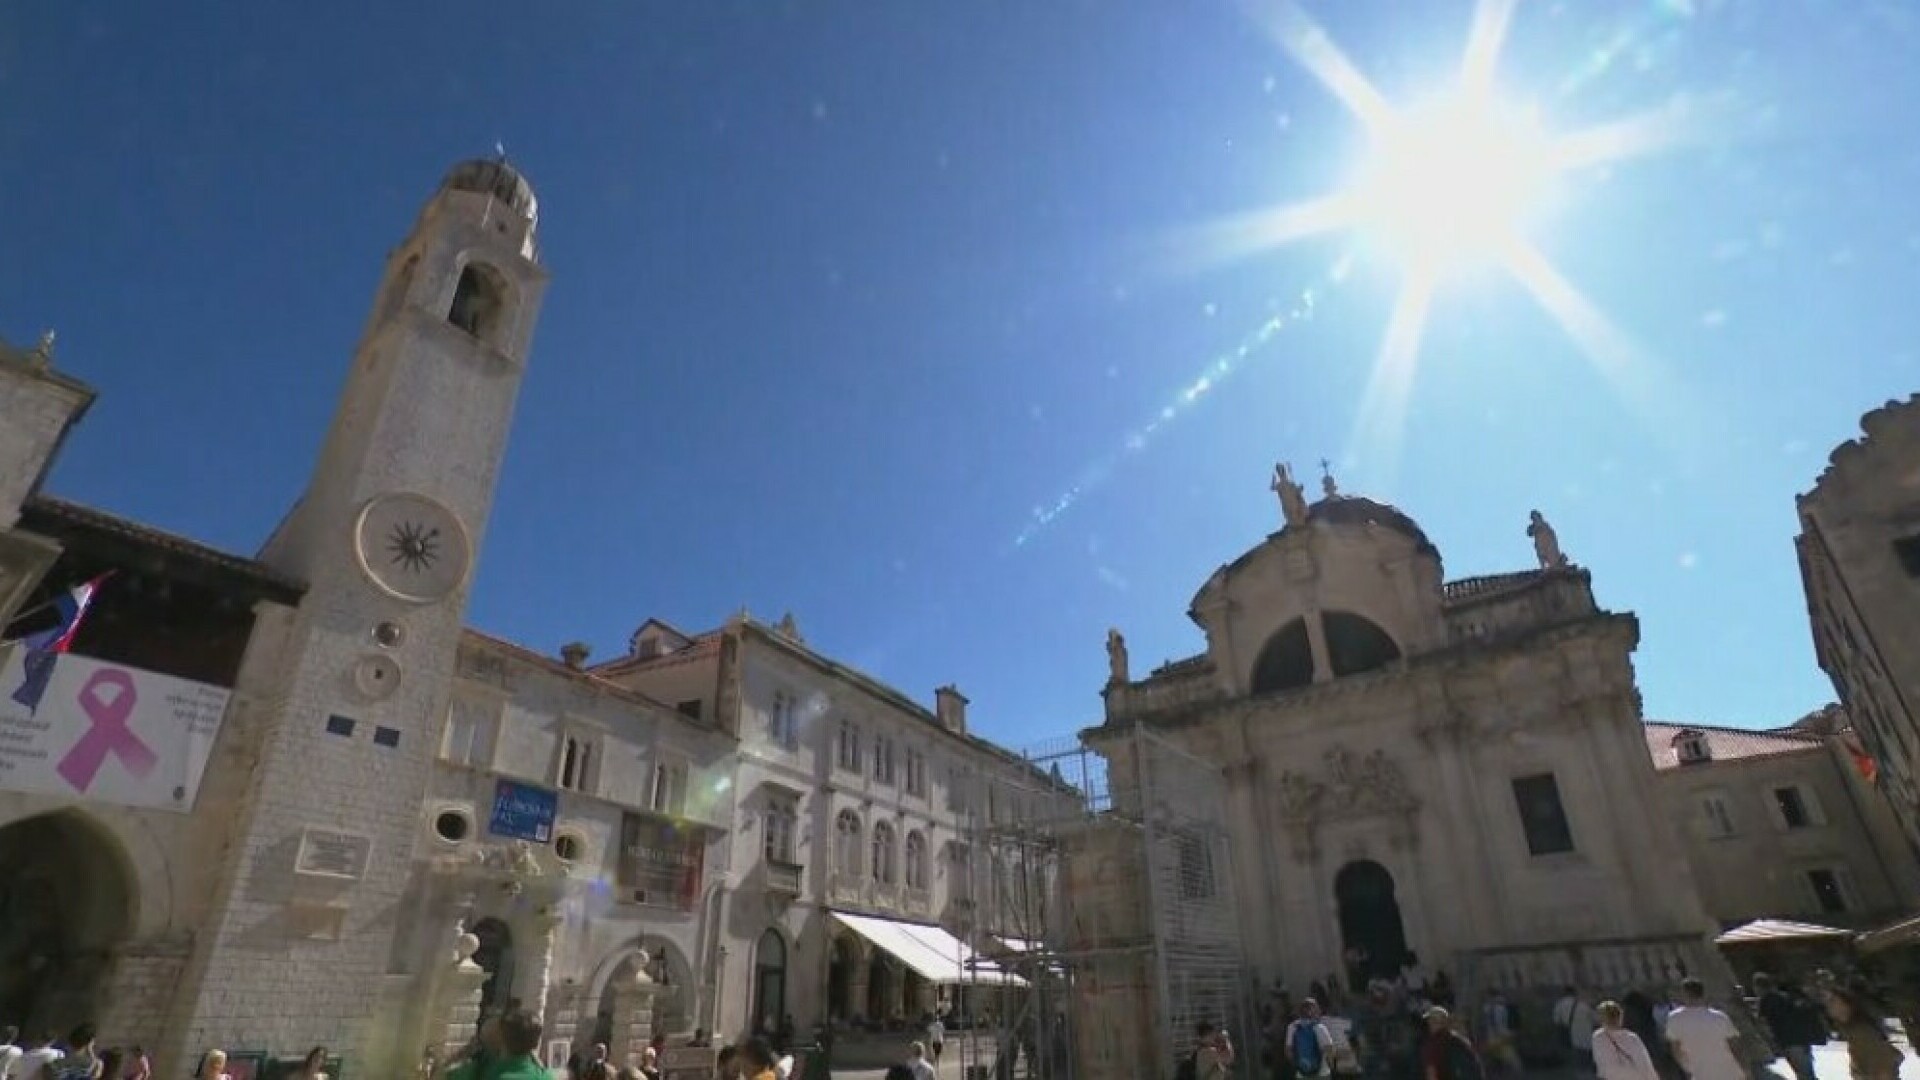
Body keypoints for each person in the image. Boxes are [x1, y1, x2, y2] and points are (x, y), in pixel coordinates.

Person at [1663, 978, 1744, 1080]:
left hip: (1700, 1073)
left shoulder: (1675, 1018)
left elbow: (1675, 1049)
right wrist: (1744, 1069)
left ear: (1684, 994)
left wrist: (1687, 1067)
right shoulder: (1719, 1017)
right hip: (1730, 1072)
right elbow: (1734, 1046)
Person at [1752, 974, 1823, 1080]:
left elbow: (1763, 1022)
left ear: (1758, 987)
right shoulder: (1783, 997)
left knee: (1805, 1074)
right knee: (1806, 1074)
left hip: (1790, 1041)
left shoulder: (1767, 1000)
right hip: (1800, 1040)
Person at [448, 1009, 551, 1080]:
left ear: (500, 1037)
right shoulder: (543, 1075)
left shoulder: (476, 1070)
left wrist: (463, 1056)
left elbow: (446, 1074)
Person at [1828, 984, 1902, 1080]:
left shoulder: (1862, 1029)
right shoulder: (1849, 1029)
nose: (1832, 1010)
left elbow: (1883, 1058)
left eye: (1835, 1004)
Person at [1591, 1001, 1660, 1080]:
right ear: (1620, 1017)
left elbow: (1602, 1065)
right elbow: (1646, 1065)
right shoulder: (1632, 1038)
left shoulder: (1598, 1037)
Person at [1420, 1007, 1484, 1080]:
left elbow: (1431, 1073)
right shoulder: (1461, 1040)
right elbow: (1477, 1063)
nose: (1429, 1023)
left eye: (1430, 1020)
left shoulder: (1432, 1043)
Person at [1285, 999, 1335, 1080]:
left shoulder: (1292, 1027)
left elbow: (1288, 1051)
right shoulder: (1320, 1027)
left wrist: (1297, 1065)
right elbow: (1329, 1049)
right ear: (1314, 1011)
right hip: (1322, 1073)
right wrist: (1331, 1065)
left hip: (1302, 1073)